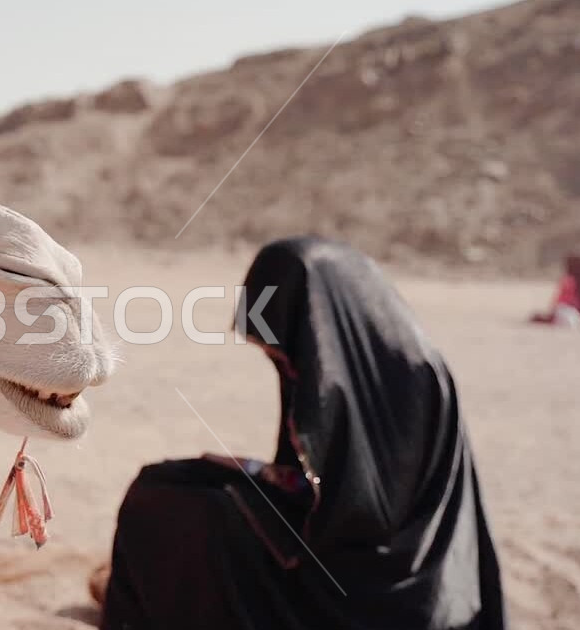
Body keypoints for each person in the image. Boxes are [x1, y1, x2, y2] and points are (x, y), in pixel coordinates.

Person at [98, 237, 507, 630]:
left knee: (166, 504)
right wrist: (253, 472)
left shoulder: (403, 380)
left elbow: (359, 514)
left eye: (280, 344)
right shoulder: (349, 362)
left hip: (373, 587)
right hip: (348, 549)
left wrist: (257, 476)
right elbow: (321, 480)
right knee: (171, 478)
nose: (279, 359)